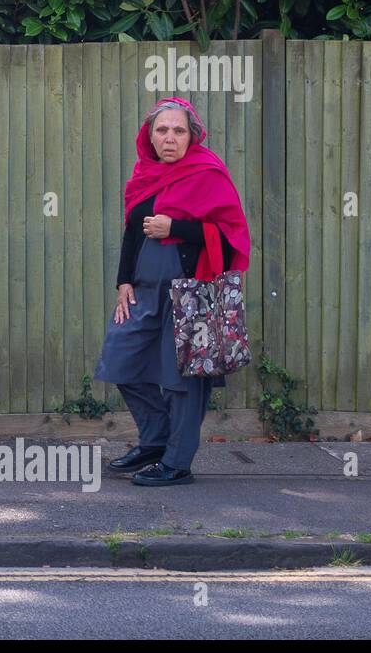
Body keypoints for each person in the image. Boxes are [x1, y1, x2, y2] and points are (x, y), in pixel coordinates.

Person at [92, 96, 252, 486]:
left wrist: (176, 228)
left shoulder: (208, 174)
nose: (169, 138)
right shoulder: (142, 176)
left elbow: (234, 240)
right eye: (161, 130)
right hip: (144, 292)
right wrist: (123, 282)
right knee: (121, 358)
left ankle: (177, 462)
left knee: (184, 378)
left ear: (191, 137)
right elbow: (132, 233)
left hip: (192, 295)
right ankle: (156, 439)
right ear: (149, 136)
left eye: (178, 130)